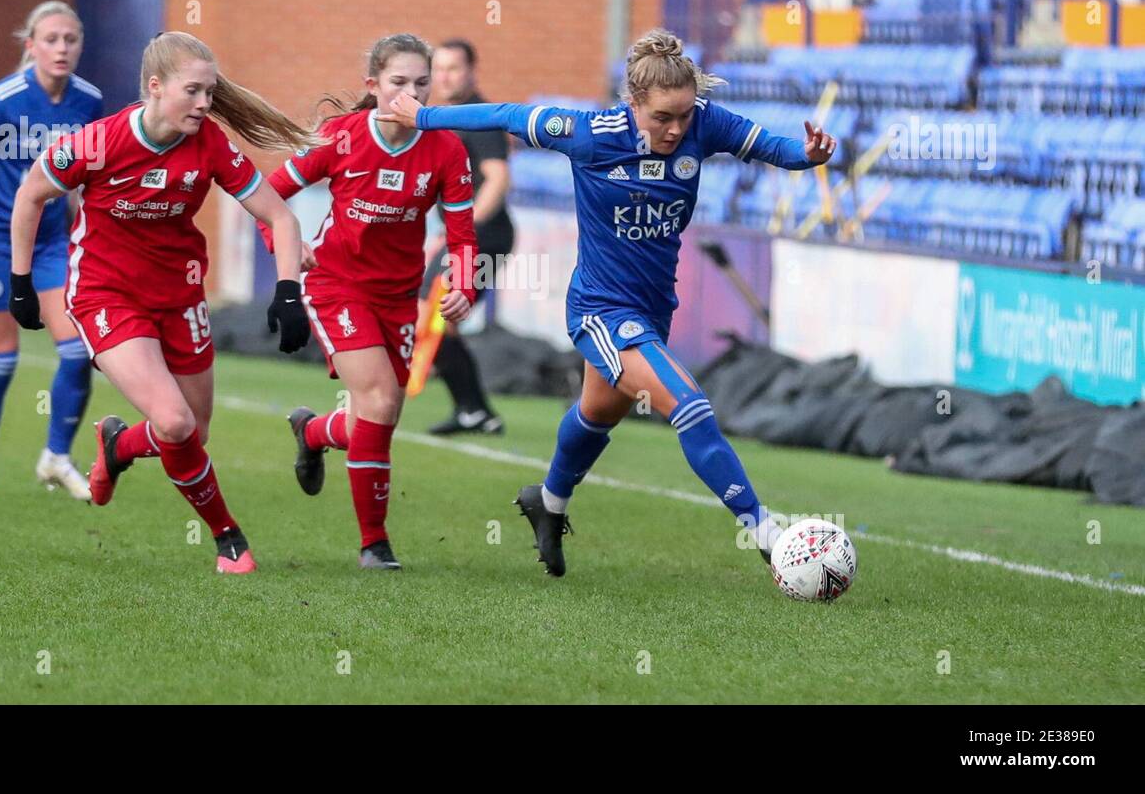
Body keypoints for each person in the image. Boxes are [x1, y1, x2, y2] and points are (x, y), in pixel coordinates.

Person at [378, 28, 836, 576]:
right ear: (633, 102)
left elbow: (773, 148)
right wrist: (422, 116)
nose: (675, 128)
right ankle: (765, 531)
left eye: (684, 116)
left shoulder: (704, 122)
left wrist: (807, 156)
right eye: (663, 116)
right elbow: (503, 114)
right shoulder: (588, 133)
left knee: (596, 416)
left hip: (653, 309)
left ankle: (547, 503)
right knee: (689, 406)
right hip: (600, 311)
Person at [9, 31, 316, 574]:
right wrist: (20, 281)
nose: (204, 104)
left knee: (193, 435)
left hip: (179, 293)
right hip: (106, 293)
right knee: (174, 424)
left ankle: (118, 448)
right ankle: (229, 539)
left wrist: (289, 292)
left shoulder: (212, 144)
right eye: (194, 91)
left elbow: (281, 217)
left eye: (210, 92)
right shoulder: (97, 142)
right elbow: (31, 194)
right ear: (155, 87)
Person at [259, 33, 478, 570]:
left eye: (420, 85)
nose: (410, 94)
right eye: (398, 83)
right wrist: (290, 247)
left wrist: (465, 285)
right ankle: (373, 545)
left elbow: (464, 234)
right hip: (337, 285)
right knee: (378, 403)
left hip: (398, 296)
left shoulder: (446, 146)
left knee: (377, 419)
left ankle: (312, 432)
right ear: (373, 86)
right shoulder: (340, 138)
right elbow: (266, 197)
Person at [0, 0, 103, 502]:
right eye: (51, 38)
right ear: (30, 45)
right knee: (0, 359)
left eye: (70, 39)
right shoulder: (2, 100)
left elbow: (86, 185)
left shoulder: (89, 103)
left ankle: (56, 457)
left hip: (51, 241)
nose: (61, 48)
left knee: (78, 351)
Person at [419, 39, 514, 436]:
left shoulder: (480, 115)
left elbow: (497, 179)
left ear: (472, 70)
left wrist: (463, 231)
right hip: (461, 238)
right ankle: (474, 411)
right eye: (438, 69)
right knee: (437, 318)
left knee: (433, 315)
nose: (444, 77)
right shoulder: (445, 116)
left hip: (484, 238)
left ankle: (474, 410)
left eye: (453, 68)